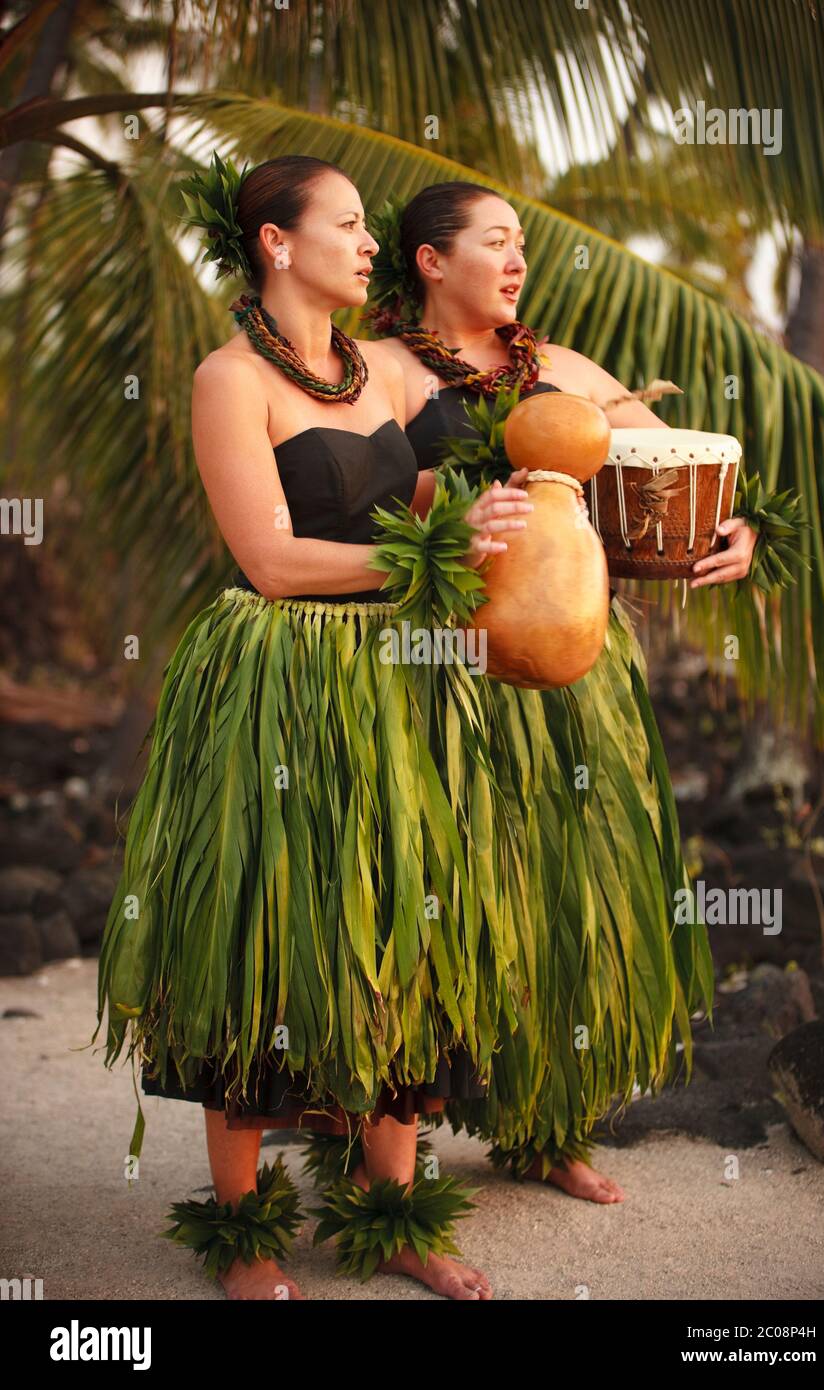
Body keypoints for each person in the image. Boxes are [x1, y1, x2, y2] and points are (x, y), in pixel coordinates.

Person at [95, 155, 549, 1301]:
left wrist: (476, 520)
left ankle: (392, 1216)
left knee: (403, 934)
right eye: (345, 224)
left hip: (398, 684)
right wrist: (429, 562)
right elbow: (273, 559)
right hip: (278, 682)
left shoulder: (382, 379)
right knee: (268, 933)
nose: (368, 244)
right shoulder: (226, 380)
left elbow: (426, 516)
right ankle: (243, 1238)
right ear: (275, 243)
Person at [366, 181, 757, 1202]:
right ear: (427, 258)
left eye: (522, 246)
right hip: (436, 679)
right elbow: (341, 502)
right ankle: (383, 1150)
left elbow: (666, 482)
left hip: (577, 684)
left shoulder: (571, 375)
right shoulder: (377, 373)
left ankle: (543, 1125)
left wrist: (734, 533)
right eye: (494, 241)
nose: (515, 261)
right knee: (430, 903)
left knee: (562, 899)